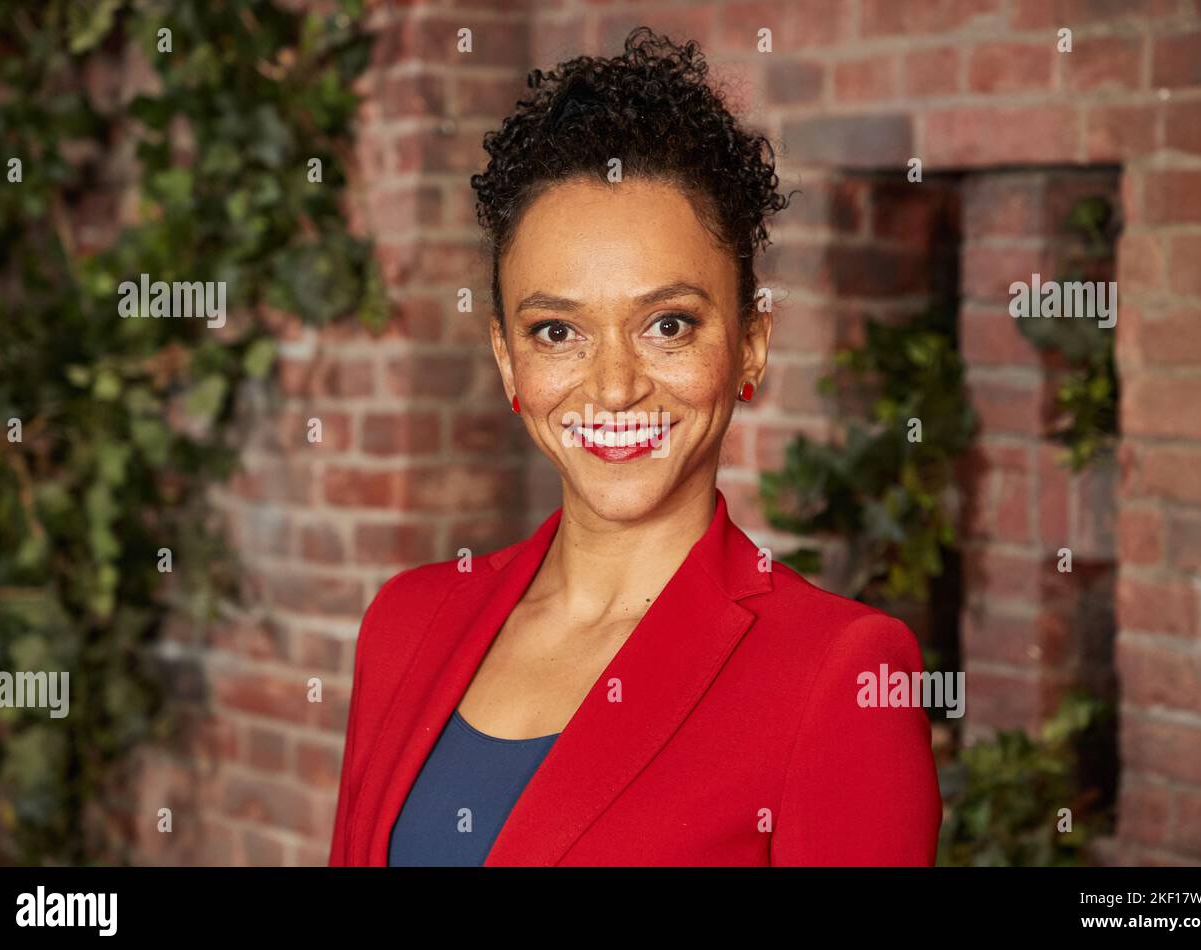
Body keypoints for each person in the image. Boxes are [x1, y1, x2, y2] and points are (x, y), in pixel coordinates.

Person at [329, 27, 941, 867]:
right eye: (557, 331)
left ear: (752, 343)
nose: (614, 387)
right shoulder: (405, 624)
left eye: (668, 324)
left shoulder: (839, 676)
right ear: (507, 356)